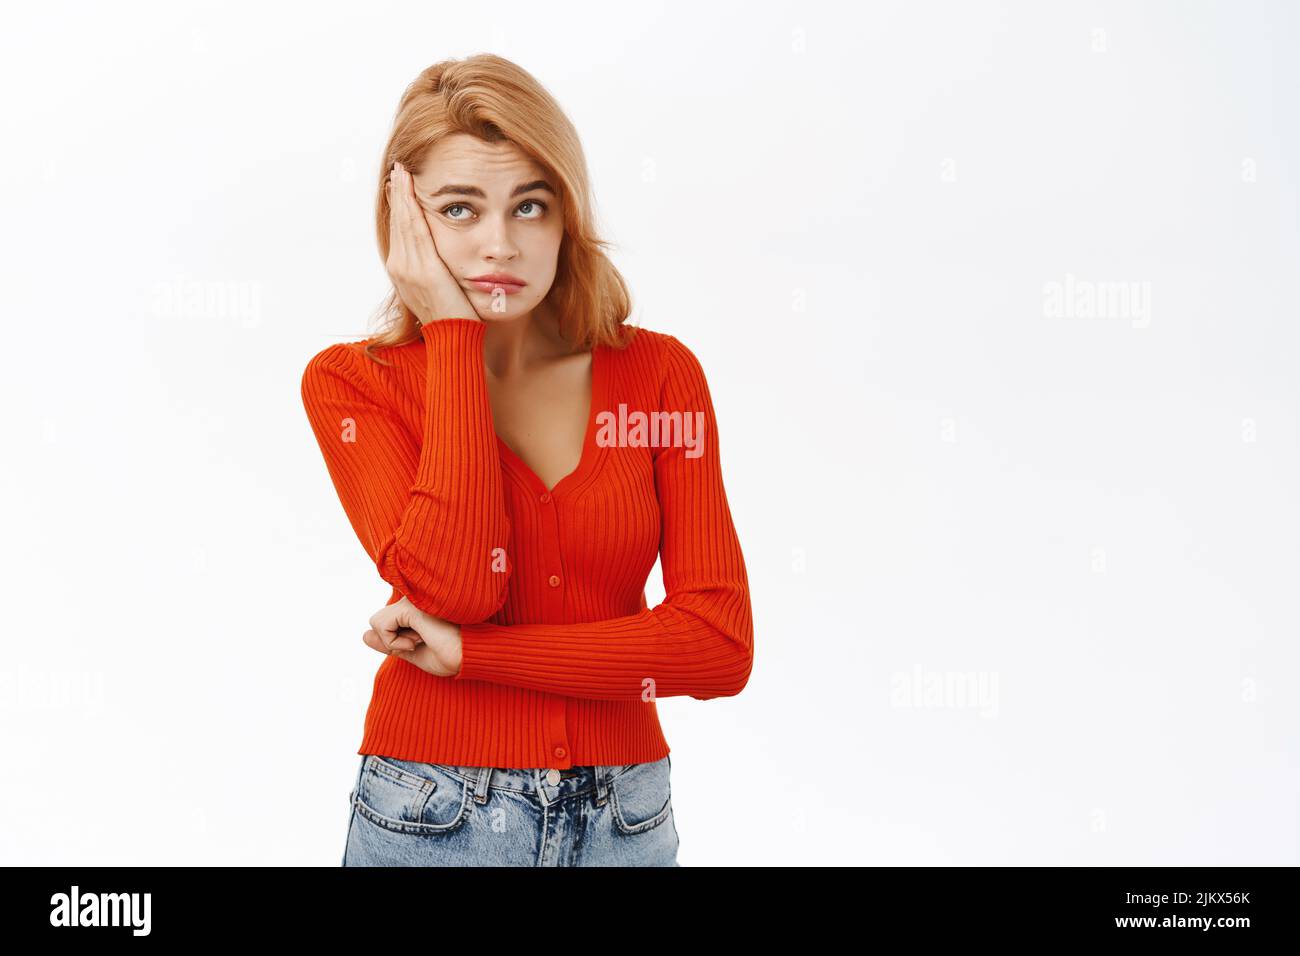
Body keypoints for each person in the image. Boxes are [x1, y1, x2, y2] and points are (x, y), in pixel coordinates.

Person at [300, 54, 753, 866]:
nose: (499, 244)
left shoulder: (659, 376)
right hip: (433, 810)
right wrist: (450, 334)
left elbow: (717, 645)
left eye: (530, 206)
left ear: (566, 217)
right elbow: (461, 584)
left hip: (626, 814)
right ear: (405, 219)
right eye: (458, 209)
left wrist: (478, 657)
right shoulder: (352, 385)